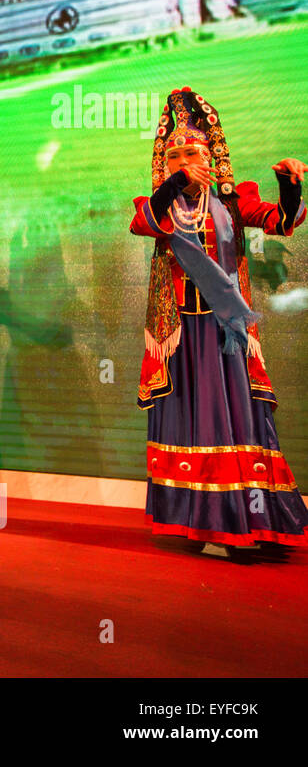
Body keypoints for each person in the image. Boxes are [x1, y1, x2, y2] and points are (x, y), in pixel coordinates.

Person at [130, 86, 307, 555]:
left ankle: (245, 521)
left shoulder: (230, 201)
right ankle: (192, 520)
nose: (186, 159)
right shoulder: (160, 204)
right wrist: (173, 182)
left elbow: (281, 221)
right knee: (189, 418)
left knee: (238, 419)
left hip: (227, 332)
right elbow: (146, 221)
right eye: (176, 154)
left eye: (195, 151)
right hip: (180, 333)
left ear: (212, 156)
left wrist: (290, 186)